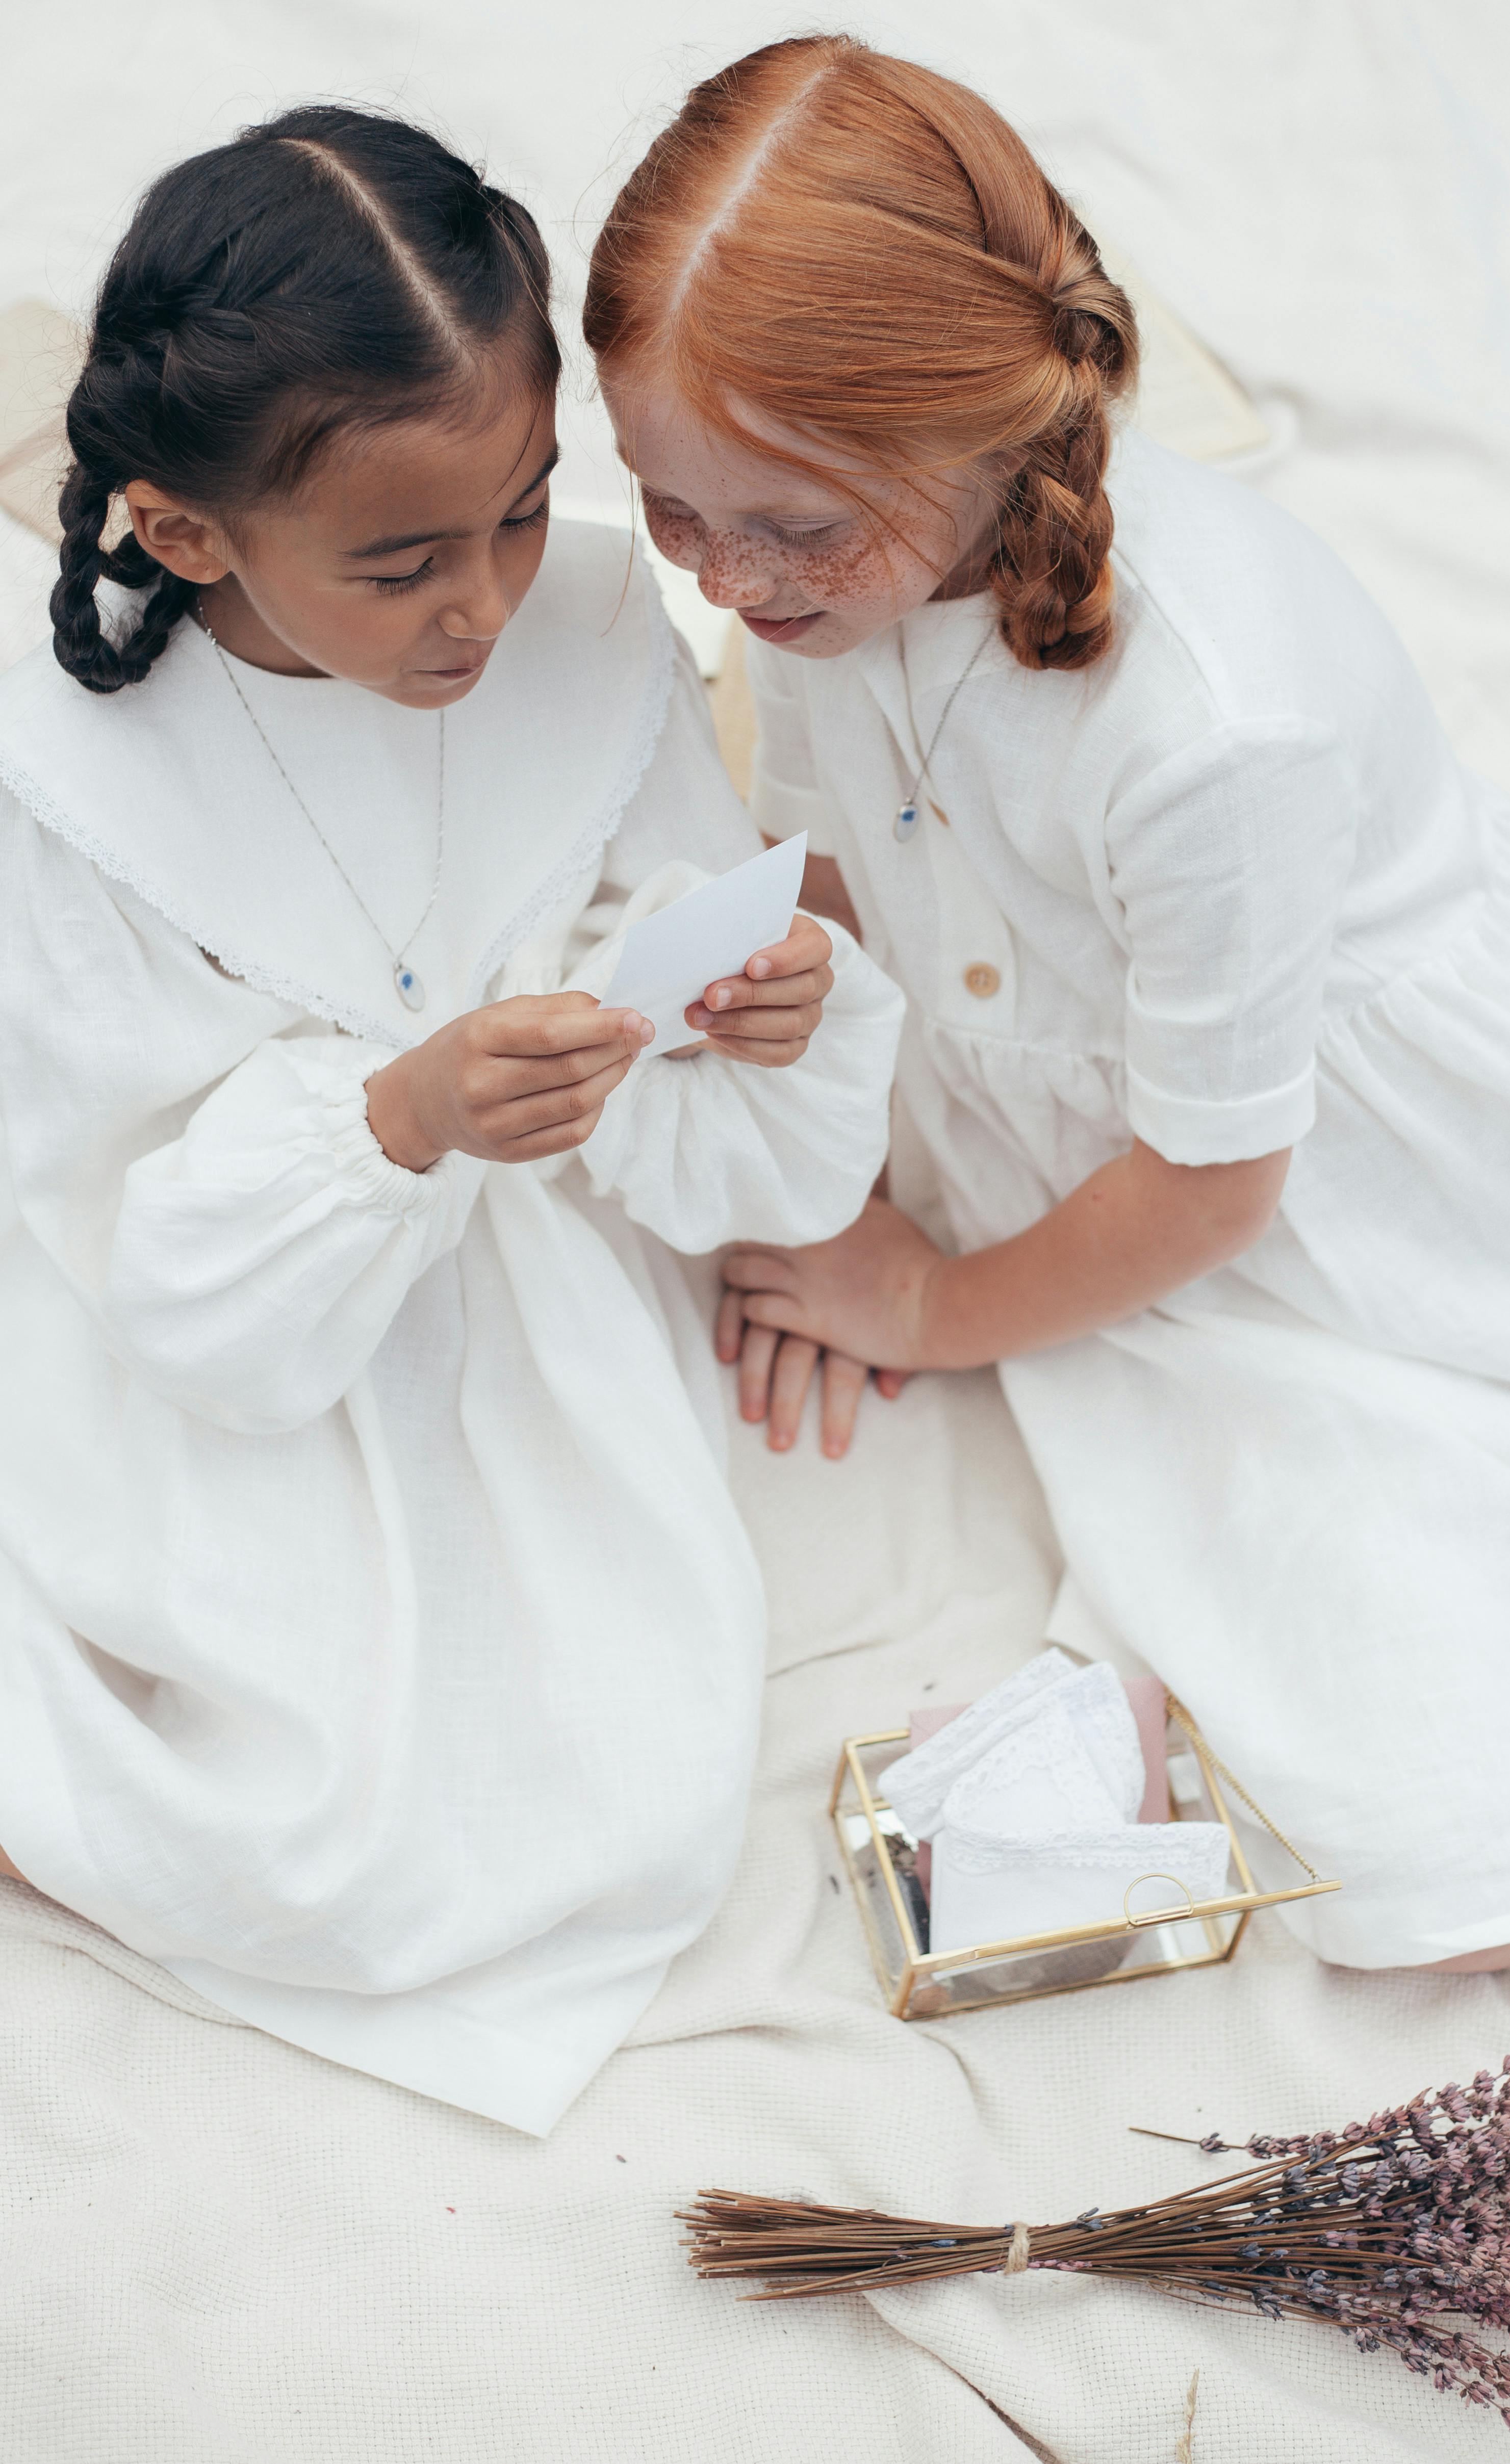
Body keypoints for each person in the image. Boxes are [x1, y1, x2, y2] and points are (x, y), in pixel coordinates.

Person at [583, 34, 1510, 1974]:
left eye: (787, 527)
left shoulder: (1209, 726)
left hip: (1333, 1169)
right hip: (1099, 1111)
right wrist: (772, 1024)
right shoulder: (826, 580)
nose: (725, 583)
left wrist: (923, 1298)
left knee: (1400, 1697)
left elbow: (1222, 1180)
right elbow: (837, 860)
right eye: (667, 511)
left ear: (983, 430)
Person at [0, 104, 903, 2134]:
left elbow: (655, 928)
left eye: (520, 512)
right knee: (276, 1785)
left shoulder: (583, 638)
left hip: (528, 1273)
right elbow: (113, 1197)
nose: (482, 608)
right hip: (220, 1290)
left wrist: (734, 1007)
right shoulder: (62, 772)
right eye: (401, 564)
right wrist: (386, 1125)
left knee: (632, 1779)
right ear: (185, 534)